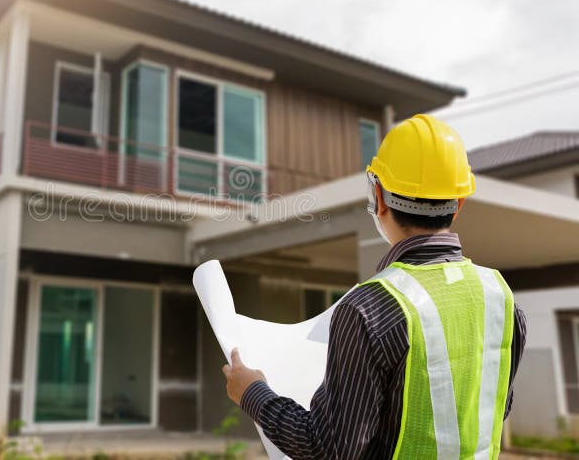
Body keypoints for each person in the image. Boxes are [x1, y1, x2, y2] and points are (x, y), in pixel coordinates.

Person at [222, 114, 527, 459]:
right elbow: (493, 408)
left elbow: (329, 448)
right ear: (458, 204)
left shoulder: (370, 308)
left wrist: (253, 392)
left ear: (378, 198)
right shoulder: (500, 298)